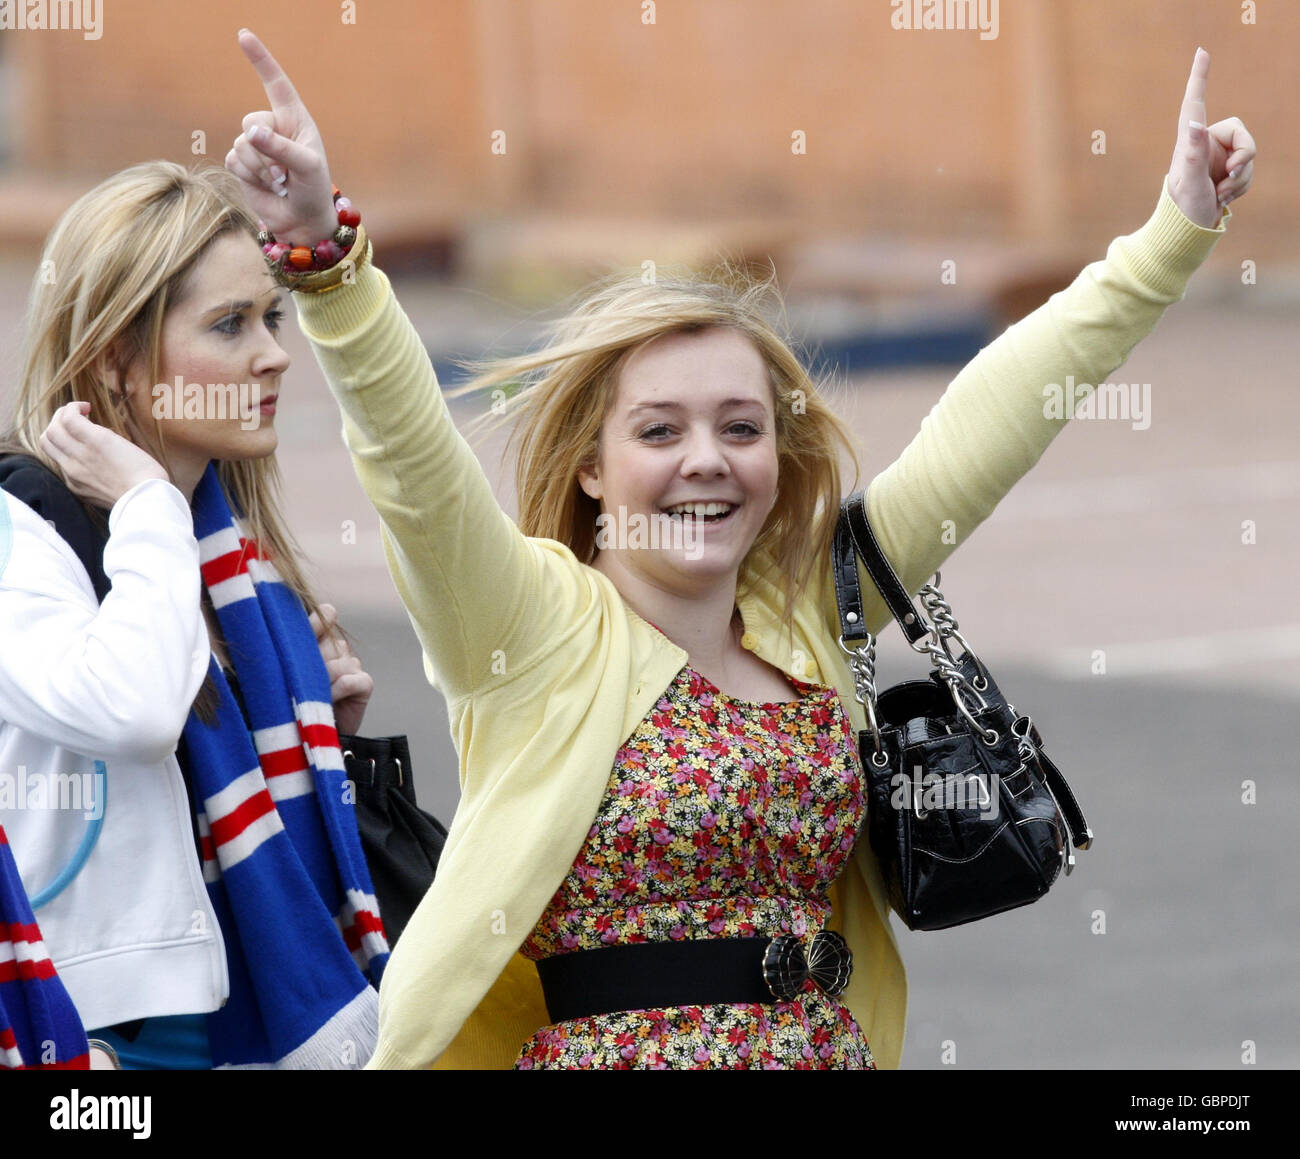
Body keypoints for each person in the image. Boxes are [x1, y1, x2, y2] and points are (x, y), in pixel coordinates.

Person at [227, 30, 1254, 1069]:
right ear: (592, 465)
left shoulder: (811, 604)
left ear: (777, 452)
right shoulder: (527, 624)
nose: (705, 460)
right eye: (659, 431)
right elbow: (412, 463)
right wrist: (327, 259)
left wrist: (1172, 233)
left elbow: (994, 419)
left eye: (740, 427)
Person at [0, 159, 389, 1068]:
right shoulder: (22, 531)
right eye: (230, 324)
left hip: (233, 1020)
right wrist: (145, 505)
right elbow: (132, 713)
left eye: (271, 316)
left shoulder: (233, 559)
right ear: (117, 360)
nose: (274, 353)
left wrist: (328, 736)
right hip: (88, 1031)